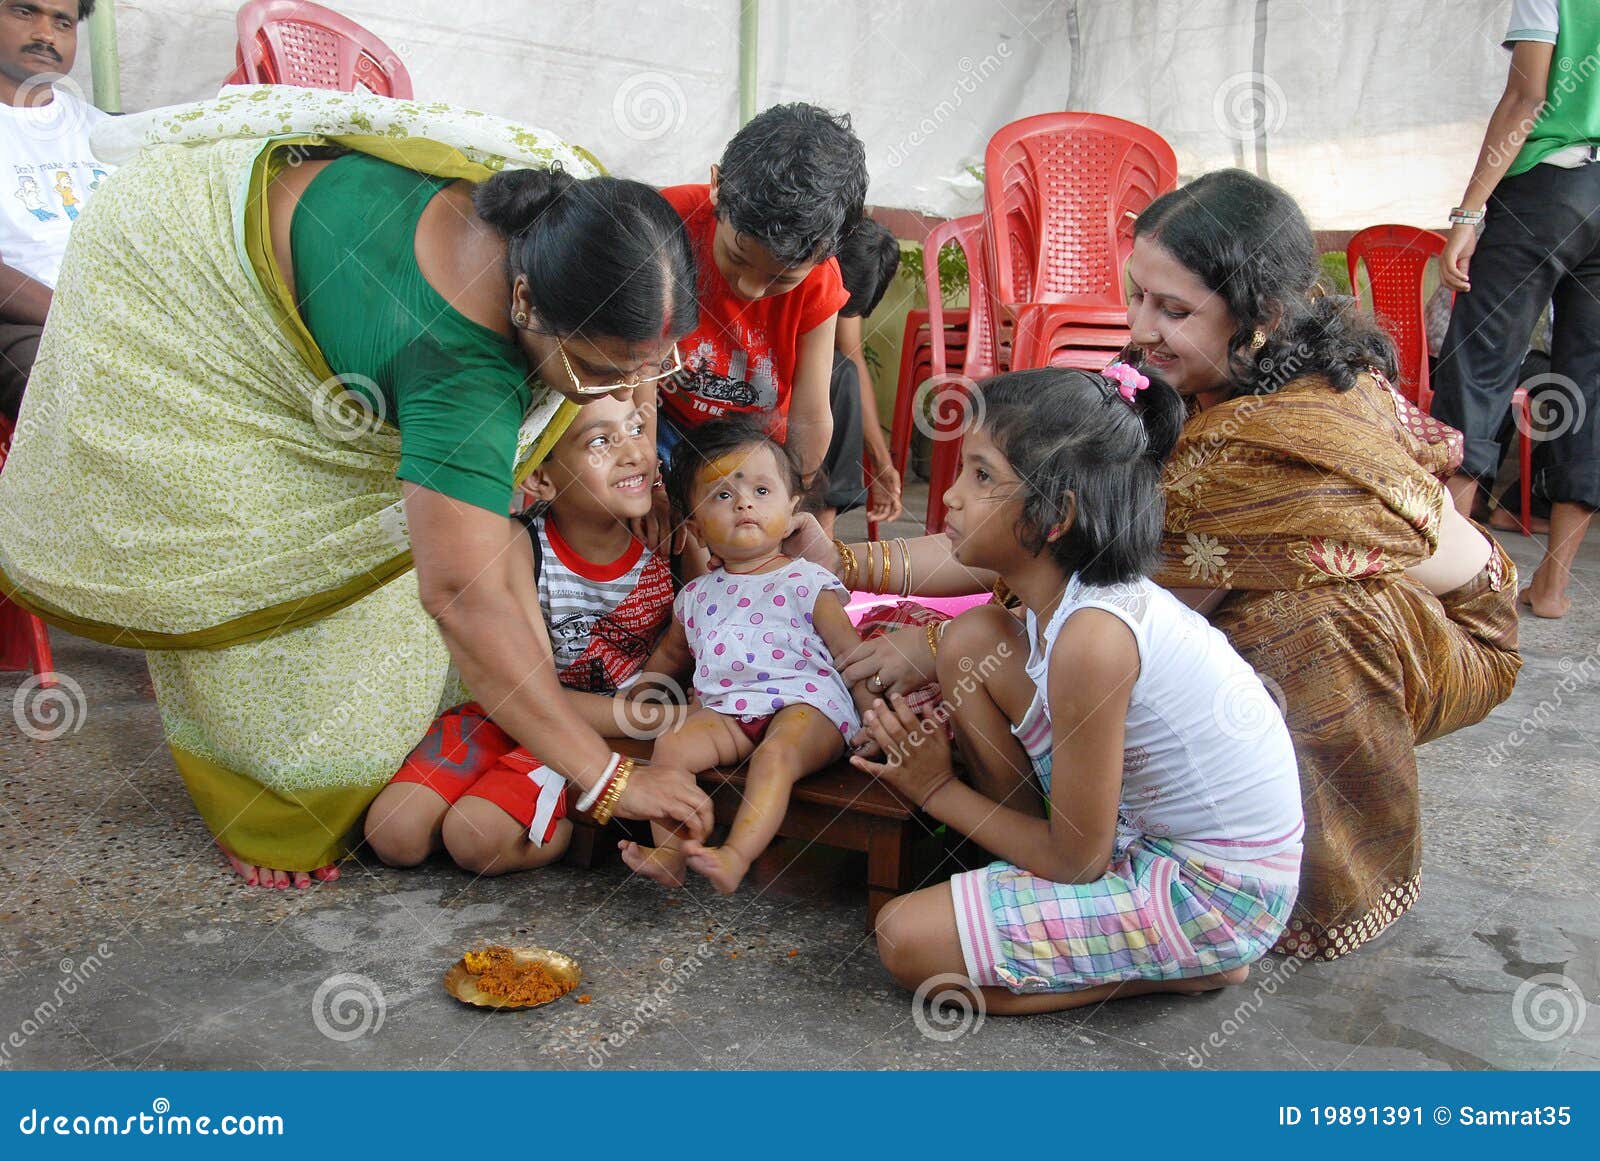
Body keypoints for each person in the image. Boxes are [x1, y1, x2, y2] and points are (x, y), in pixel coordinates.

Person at [791, 169, 1522, 962]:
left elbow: (1072, 563)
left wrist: (930, 651)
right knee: (1006, 638)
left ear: (1262, 318)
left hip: (1450, 630)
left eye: (1173, 310)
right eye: (1137, 295)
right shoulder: (1177, 388)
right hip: (1264, 597)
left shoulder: (1270, 442)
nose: (1139, 327)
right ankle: (1072, 840)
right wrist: (847, 559)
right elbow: (1033, 539)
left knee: (1283, 618)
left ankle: (1301, 895)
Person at [0, 88, 713, 890]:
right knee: (267, 558)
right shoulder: (461, 372)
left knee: (411, 549)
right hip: (173, 263)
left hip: (287, 231)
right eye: (604, 372)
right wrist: (615, 778)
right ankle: (259, 797)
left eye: (656, 365)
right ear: (523, 302)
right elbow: (461, 595)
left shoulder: (566, 209)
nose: (625, 395)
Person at [854, 365, 1303, 1011]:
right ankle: (1023, 873)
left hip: (1214, 891)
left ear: (1054, 516)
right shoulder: (1064, 600)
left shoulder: (1094, 637)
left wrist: (933, 788)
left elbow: (1076, 862)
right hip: (1132, 834)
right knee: (972, 639)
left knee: (905, 941)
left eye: (982, 475)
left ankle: (1191, 964)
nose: (951, 496)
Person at [365, 391, 676, 876]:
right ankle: (548, 804)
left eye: (635, 430)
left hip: (597, 736)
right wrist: (666, 718)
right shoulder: (519, 543)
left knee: (475, 838)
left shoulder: (670, 539)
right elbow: (537, 692)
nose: (633, 452)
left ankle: (574, 824)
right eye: (600, 441)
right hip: (519, 708)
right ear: (540, 478)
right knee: (394, 834)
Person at [618, 415, 874, 893]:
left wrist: (874, 719)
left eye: (761, 491)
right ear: (692, 524)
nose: (743, 504)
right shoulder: (695, 596)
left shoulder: (808, 580)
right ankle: (670, 855)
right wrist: (638, 692)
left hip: (809, 708)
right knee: (671, 746)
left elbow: (850, 654)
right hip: (729, 712)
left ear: (794, 506)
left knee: (774, 756)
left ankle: (736, 854)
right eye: (722, 495)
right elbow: (671, 656)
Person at [1431, 0, 1600, 619]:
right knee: (1592, 386)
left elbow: (1528, 99)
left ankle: (1448, 584)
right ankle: (1551, 589)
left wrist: (1469, 213)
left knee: (1477, 368)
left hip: (1548, 192)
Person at [654, 103, 868, 485]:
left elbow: (811, 412)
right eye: (736, 257)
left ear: (829, 250)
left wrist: (795, 490)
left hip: (751, 445)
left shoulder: (821, 279)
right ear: (718, 186)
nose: (750, 289)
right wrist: (647, 473)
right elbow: (627, 372)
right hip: (661, 424)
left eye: (781, 279)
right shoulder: (666, 223)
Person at [0, 0, 108, 420]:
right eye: (25, 12)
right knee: (84, 395)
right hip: (27, 321)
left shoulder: (106, 131)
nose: (46, 34)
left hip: (127, 311)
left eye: (62, 22)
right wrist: (76, 314)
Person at [818, 217, 904, 532]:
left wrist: (881, 464)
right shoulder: (810, 254)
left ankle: (822, 528)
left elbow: (850, 352)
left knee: (842, 374)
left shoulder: (853, 265)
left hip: (803, 372)